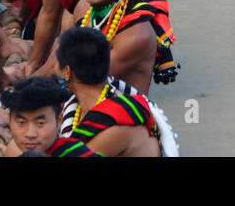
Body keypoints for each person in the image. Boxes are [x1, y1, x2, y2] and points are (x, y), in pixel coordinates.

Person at [54, 28, 163, 156]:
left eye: (55, 62)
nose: (53, 69)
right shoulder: (81, 103)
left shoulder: (114, 124)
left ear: (67, 72)